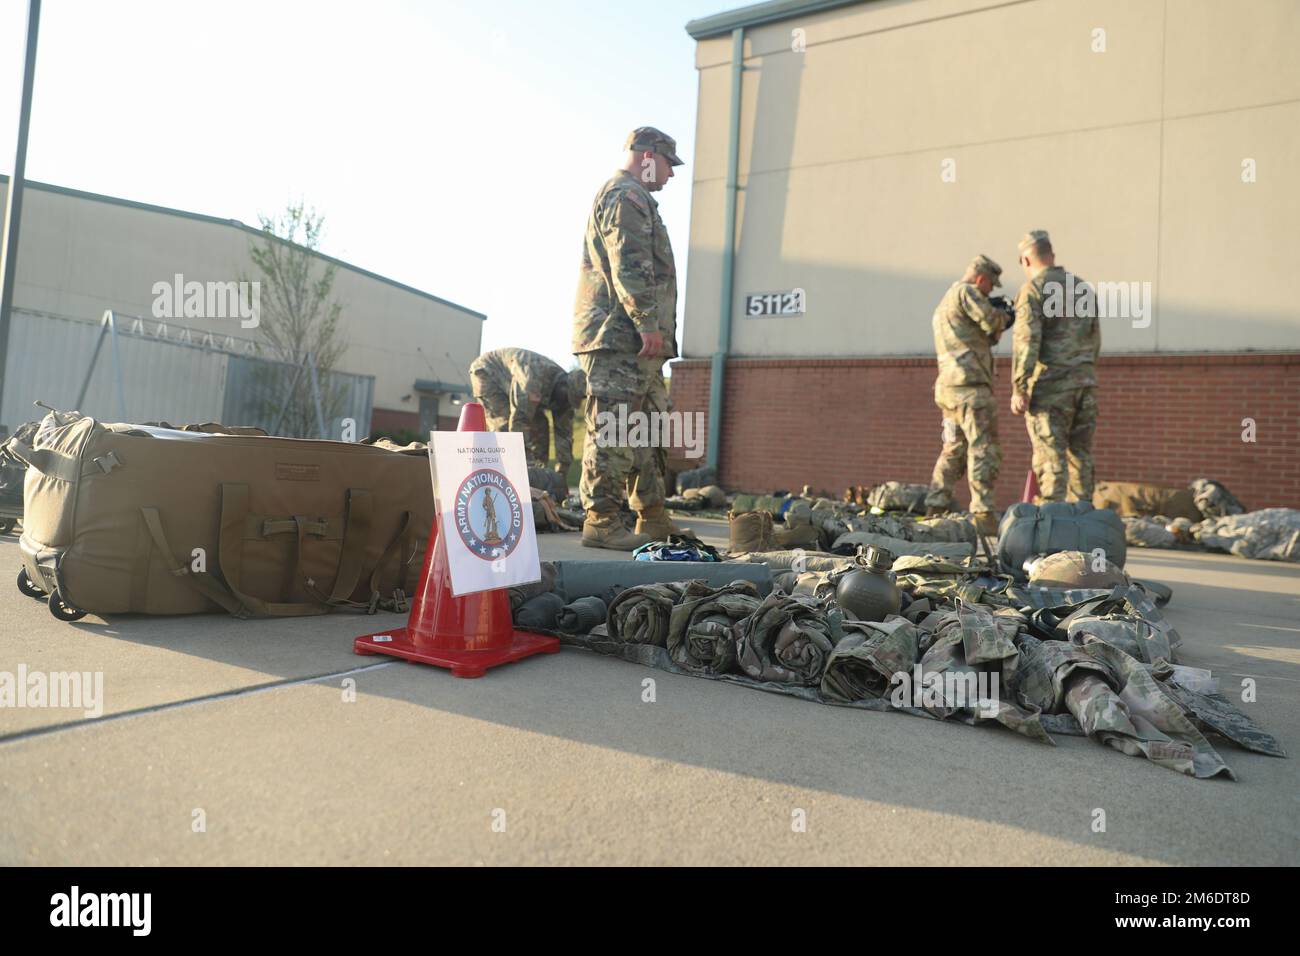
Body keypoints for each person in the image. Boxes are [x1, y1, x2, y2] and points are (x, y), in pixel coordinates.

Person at [571, 126, 683, 550]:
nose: (671, 175)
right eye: (670, 164)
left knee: (648, 426)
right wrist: (646, 322)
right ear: (648, 155)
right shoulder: (626, 196)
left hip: (637, 341)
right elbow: (629, 262)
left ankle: (651, 514)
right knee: (615, 427)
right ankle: (600, 519)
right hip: (619, 337)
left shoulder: (637, 199)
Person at [1010, 230, 1101, 502]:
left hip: (1052, 389)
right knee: (1081, 457)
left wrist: (1020, 387)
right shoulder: (1083, 288)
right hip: (1085, 387)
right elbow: (1094, 340)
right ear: (1052, 255)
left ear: (1026, 260)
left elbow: (1027, 342)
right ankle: (1082, 524)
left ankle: (1053, 526)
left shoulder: (1033, 290)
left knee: (1051, 459)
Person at [924, 254, 1012, 534]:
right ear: (981, 278)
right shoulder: (968, 292)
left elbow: (974, 333)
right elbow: (990, 322)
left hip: (949, 389)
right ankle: (983, 513)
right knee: (984, 448)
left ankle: (935, 506)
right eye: (990, 286)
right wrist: (1007, 315)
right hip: (971, 389)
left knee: (953, 449)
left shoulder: (945, 301)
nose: (989, 292)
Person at [468, 347, 582, 478]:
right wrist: (524, 463)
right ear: (562, 384)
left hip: (517, 386)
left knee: (540, 429)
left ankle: (537, 475)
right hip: (488, 372)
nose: (566, 403)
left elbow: (564, 435)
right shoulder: (533, 378)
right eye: (567, 397)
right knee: (504, 426)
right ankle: (503, 476)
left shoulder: (565, 399)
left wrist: (561, 474)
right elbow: (519, 422)